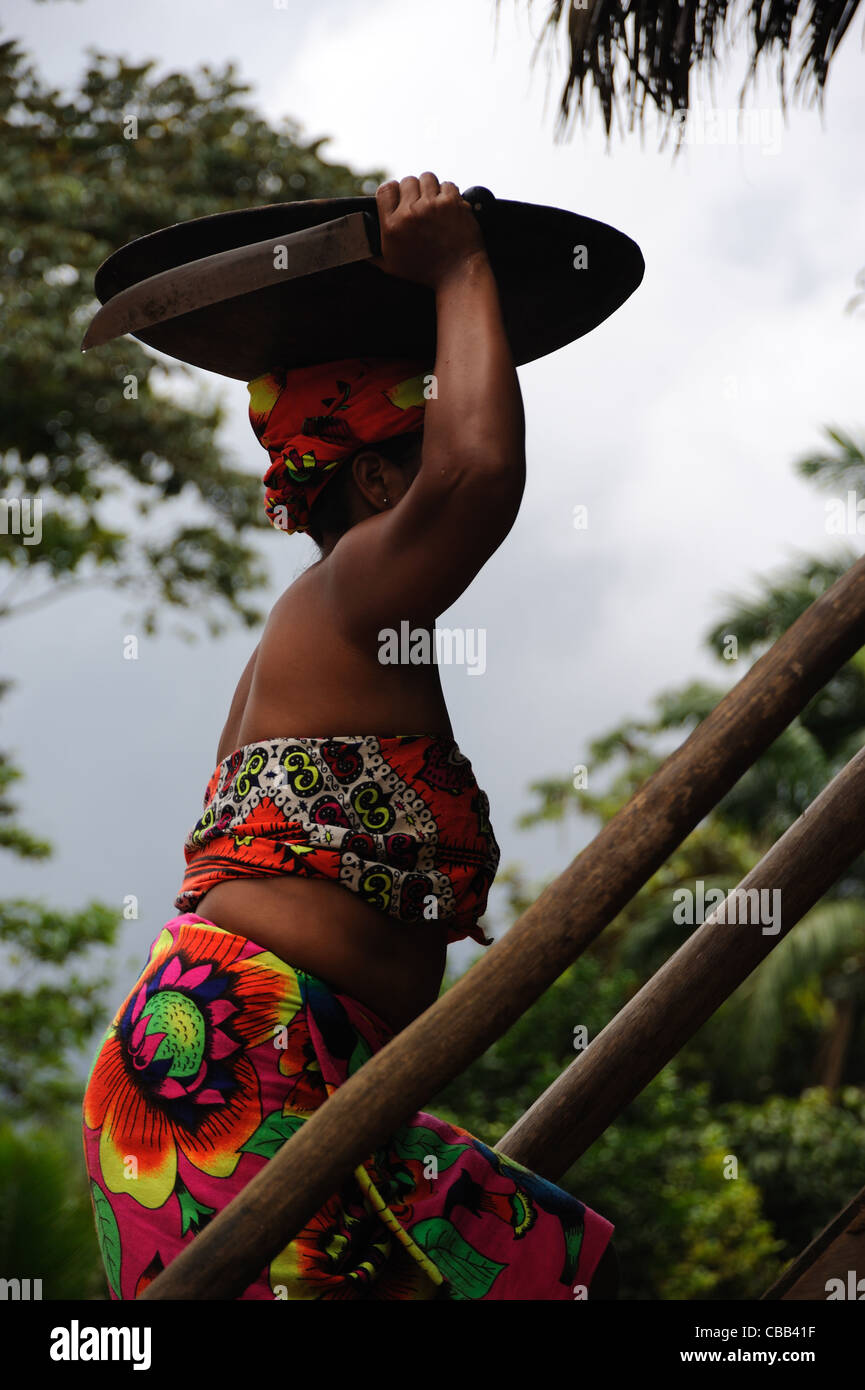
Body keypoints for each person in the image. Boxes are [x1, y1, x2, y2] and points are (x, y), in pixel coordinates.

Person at [81, 172, 618, 1300]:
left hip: (304, 1067)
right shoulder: (352, 590)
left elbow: (460, 470)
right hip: (235, 1064)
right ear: (375, 478)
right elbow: (477, 475)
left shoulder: (347, 623)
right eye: (422, 452)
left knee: (541, 1268)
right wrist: (458, 267)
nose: (448, 473)